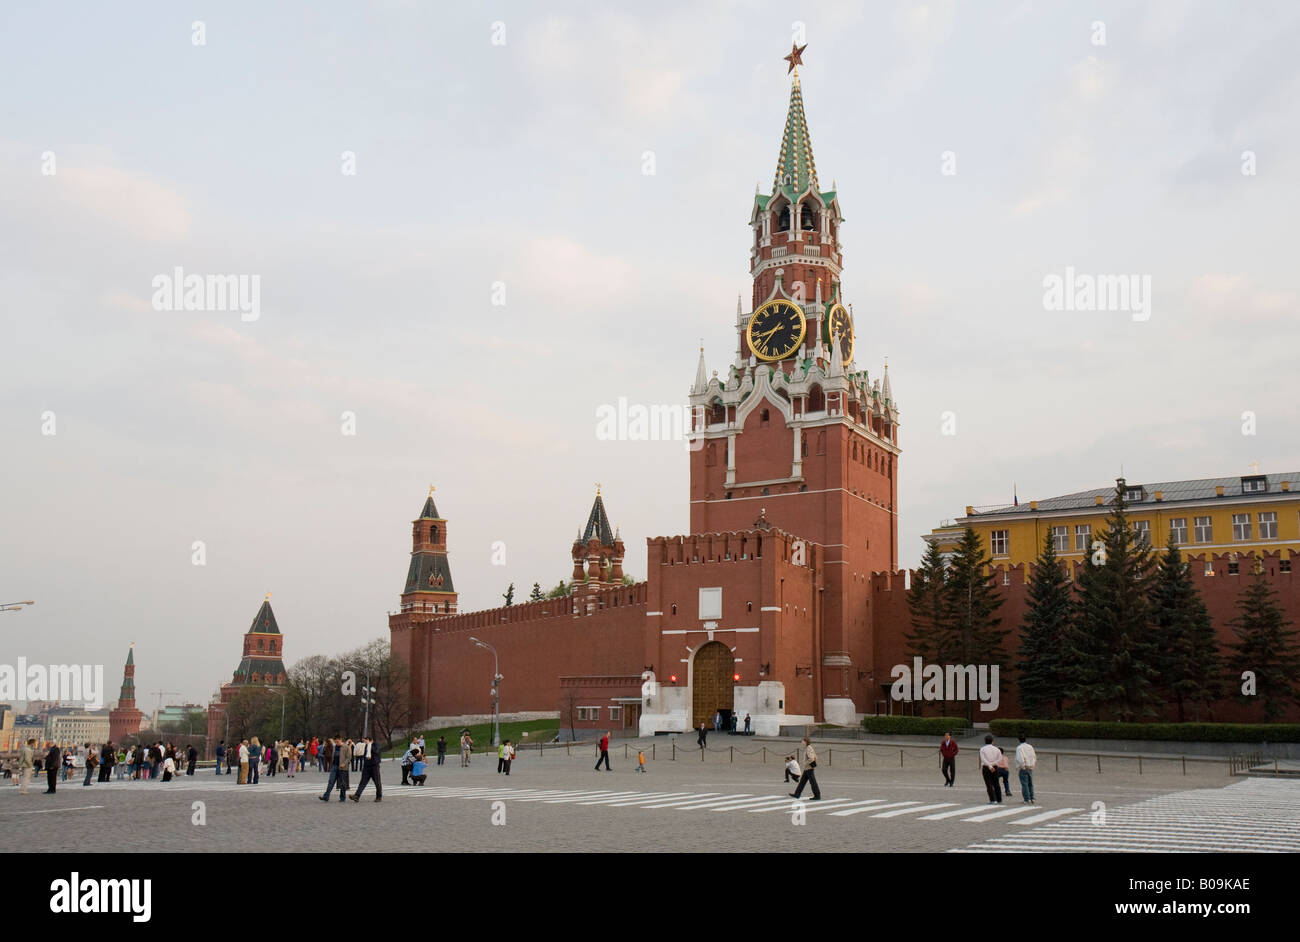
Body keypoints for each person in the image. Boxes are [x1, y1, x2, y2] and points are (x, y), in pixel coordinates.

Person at [350, 737, 383, 802]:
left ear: (370, 740)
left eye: (366, 741)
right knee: (362, 782)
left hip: (374, 766)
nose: (365, 742)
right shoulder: (366, 746)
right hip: (367, 767)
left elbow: (376, 751)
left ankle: (379, 796)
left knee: (377, 782)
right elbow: (365, 755)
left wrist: (370, 745)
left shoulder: (376, 745)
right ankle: (357, 796)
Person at [320, 736, 351, 802]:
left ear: (341, 740)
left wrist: (344, 763)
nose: (337, 743)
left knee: (342, 783)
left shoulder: (346, 747)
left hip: (342, 768)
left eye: (338, 741)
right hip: (334, 766)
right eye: (336, 741)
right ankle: (326, 796)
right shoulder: (334, 747)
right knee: (331, 781)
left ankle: (342, 798)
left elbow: (349, 757)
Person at [979, 735, 1002, 804]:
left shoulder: (982, 749)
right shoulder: (997, 749)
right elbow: (1000, 758)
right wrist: (992, 764)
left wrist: (989, 765)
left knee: (989, 784)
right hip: (995, 767)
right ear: (992, 741)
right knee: (996, 783)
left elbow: (983, 759)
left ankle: (992, 799)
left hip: (986, 767)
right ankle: (999, 799)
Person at [1015, 735, 1037, 804]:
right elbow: (1034, 756)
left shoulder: (1019, 748)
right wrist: (1033, 764)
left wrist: (1022, 766)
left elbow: (1020, 758)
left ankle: (1026, 799)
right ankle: (1032, 797)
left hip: (1024, 767)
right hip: (1030, 766)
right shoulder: (1030, 747)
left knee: (1024, 784)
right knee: (1030, 783)